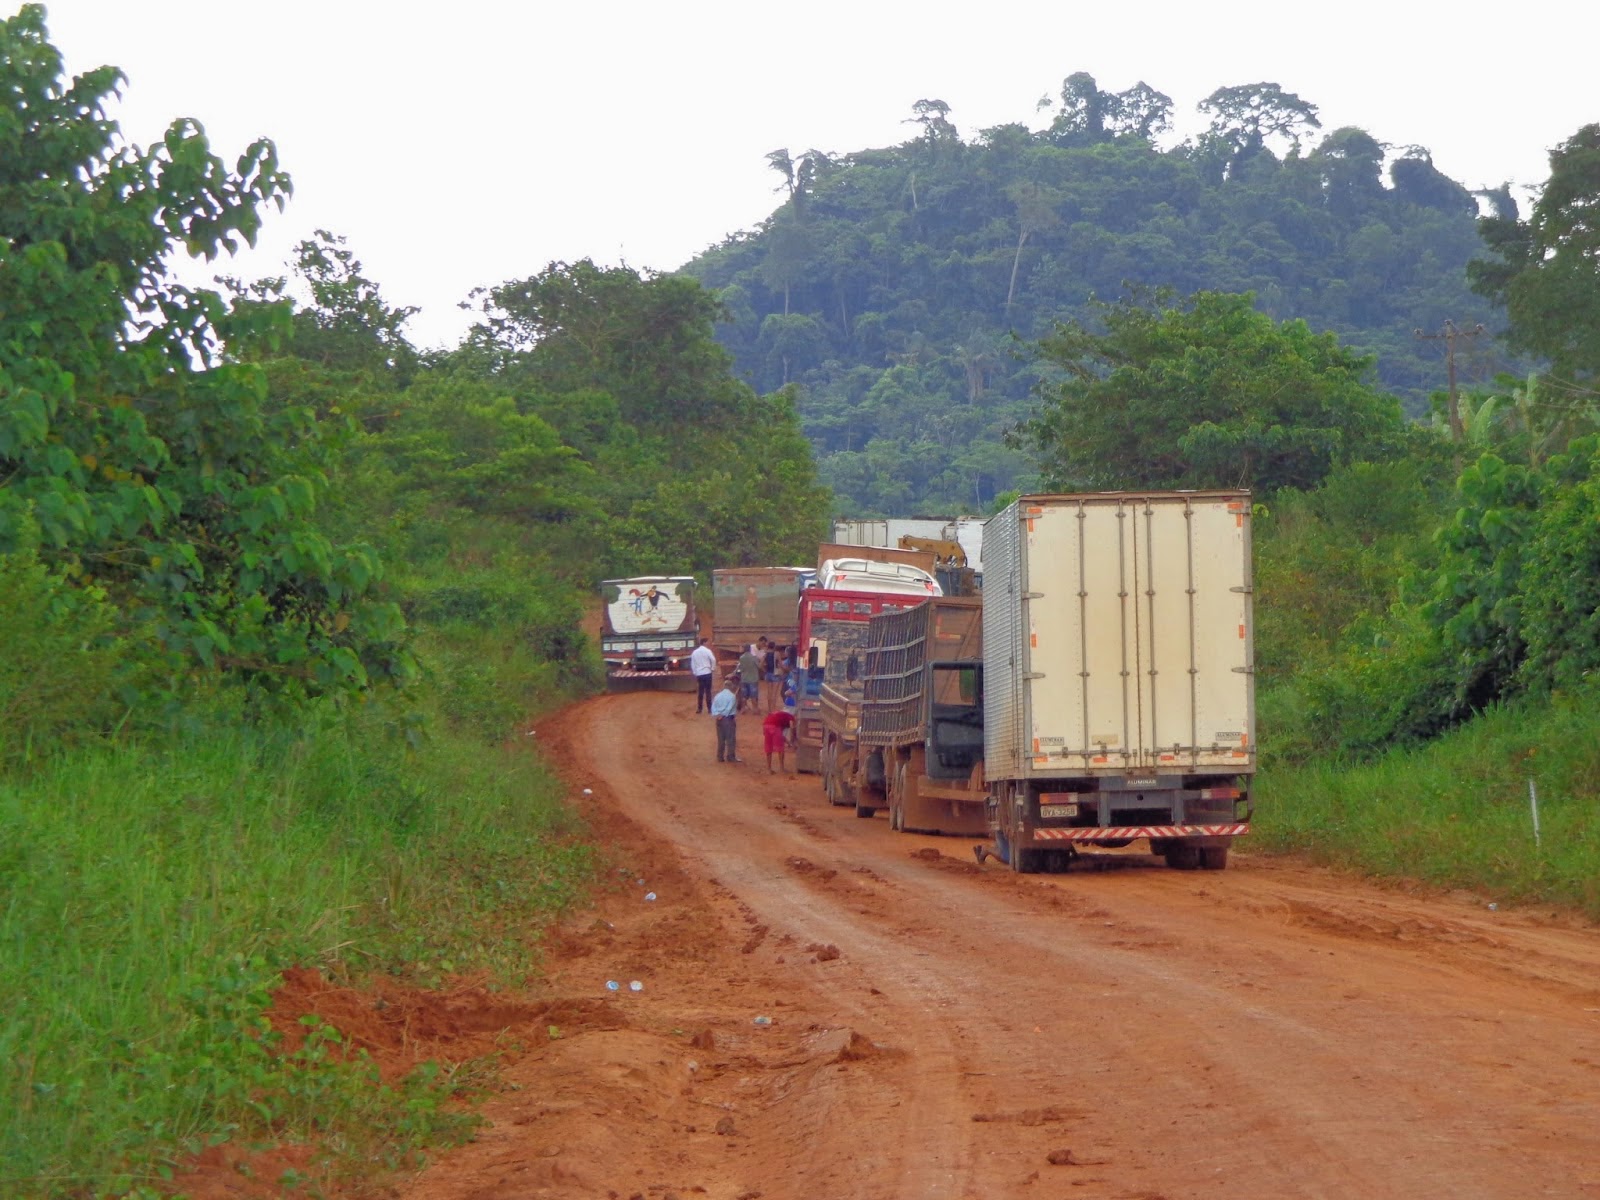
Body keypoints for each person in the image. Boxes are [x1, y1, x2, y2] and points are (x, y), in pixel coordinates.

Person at [711, 676, 741, 762]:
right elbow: (729, 708)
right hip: (728, 719)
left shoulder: (717, 696)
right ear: (731, 687)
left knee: (721, 739)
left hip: (719, 720)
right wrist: (723, 715)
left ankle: (720, 756)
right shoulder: (732, 696)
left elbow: (713, 707)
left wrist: (717, 715)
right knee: (730, 738)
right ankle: (730, 756)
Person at [762, 705, 796, 774]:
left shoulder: (778, 714)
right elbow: (792, 727)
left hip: (765, 726)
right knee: (780, 748)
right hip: (774, 727)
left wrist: (789, 743)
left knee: (769, 747)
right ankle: (781, 769)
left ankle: (768, 769)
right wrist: (792, 741)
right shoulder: (790, 717)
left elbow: (781, 735)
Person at [689, 636, 717, 713]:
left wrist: (695, 672)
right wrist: (712, 668)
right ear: (704, 643)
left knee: (700, 692)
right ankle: (709, 709)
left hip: (699, 674)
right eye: (707, 642)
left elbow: (693, 663)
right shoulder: (707, 651)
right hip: (707, 673)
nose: (709, 643)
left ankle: (699, 709)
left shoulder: (695, 652)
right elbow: (713, 660)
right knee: (708, 691)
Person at [737, 643, 762, 715]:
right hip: (753, 678)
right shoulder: (754, 657)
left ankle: (743, 709)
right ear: (750, 649)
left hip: (744, 678)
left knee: (744, 695)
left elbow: (741, 668)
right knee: (753, 695)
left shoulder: (741, 658)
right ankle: (755, 709)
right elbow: (759, 666)